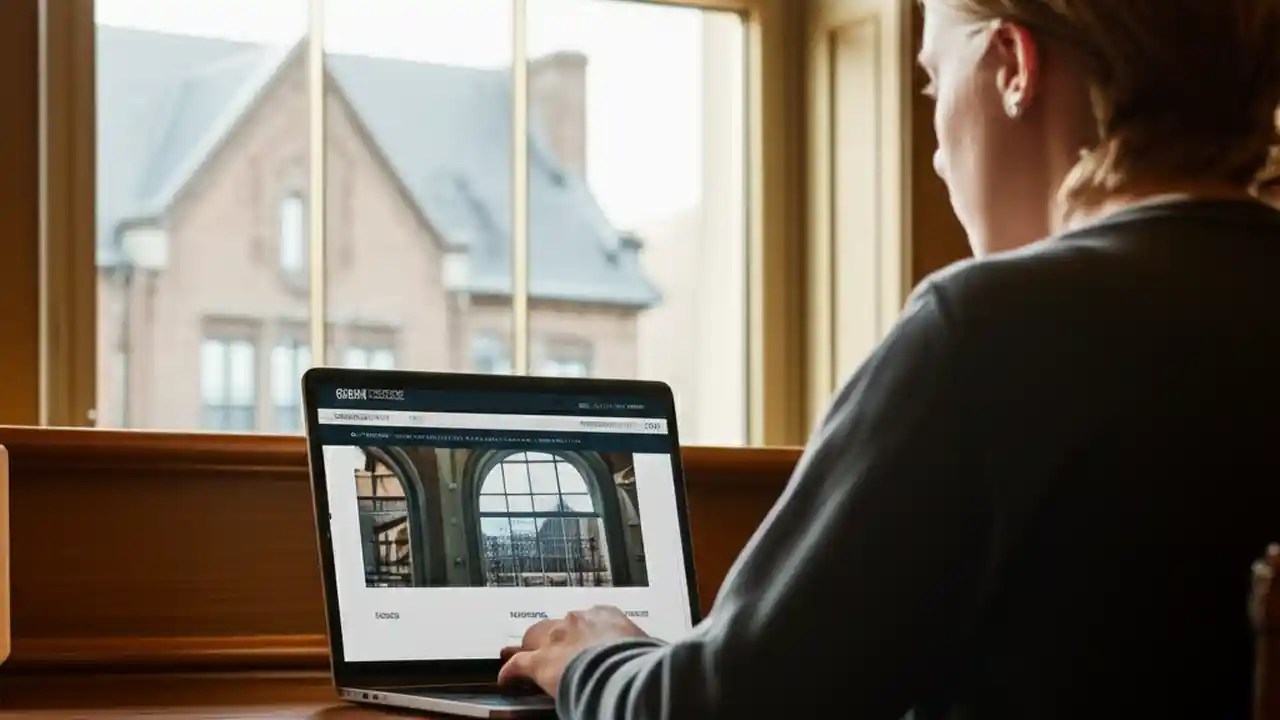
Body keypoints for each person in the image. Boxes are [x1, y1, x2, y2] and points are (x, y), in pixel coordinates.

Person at [498, 0, 1280, 716]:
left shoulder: (990, 330)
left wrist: (596, 656)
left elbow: (722, 707)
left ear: (1013, 66)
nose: (937, 153)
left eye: (933, 83)